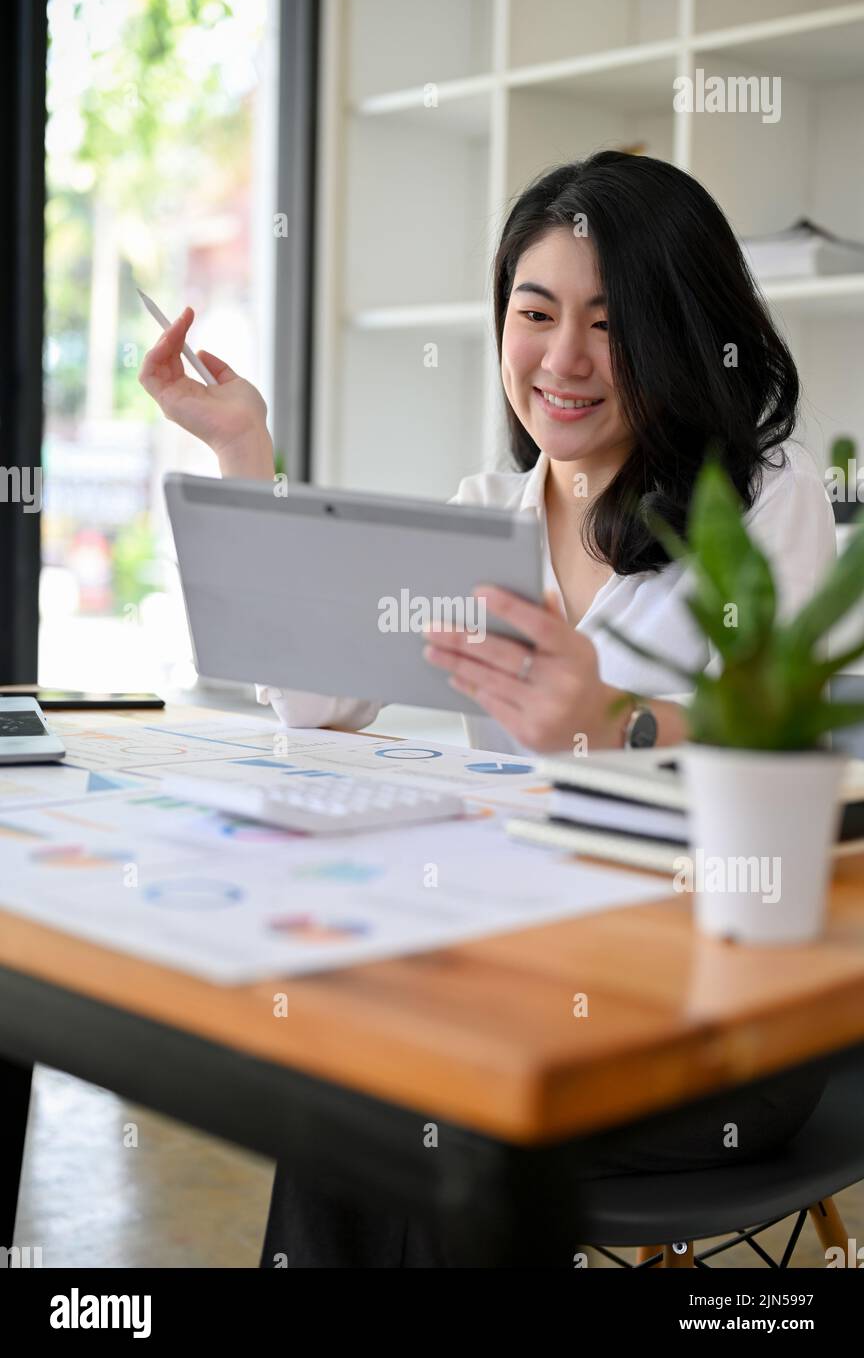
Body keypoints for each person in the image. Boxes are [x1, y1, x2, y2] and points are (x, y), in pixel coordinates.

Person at [140, 150, 833, 1267]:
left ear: (680, 331)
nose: (563, 358)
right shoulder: (482, 517)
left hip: (708, 1010)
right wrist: (239, 447)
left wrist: (612, 720)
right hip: (523, 970)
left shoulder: (766, 498)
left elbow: (803, 753)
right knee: (352, 1096)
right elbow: (320, 701)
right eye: (535, 311)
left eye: (609, 324)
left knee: (421, 1118)